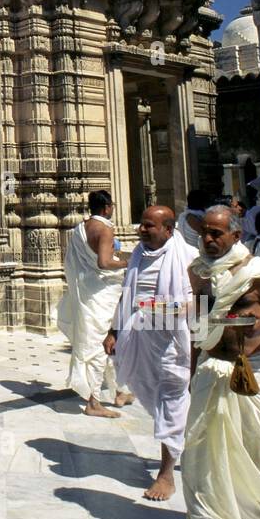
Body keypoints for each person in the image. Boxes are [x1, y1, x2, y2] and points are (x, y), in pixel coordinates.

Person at [170, 206, 260, 519]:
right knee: (202, 458)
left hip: (255, 371)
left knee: (259, 455)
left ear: (236, 236)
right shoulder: (200, 273)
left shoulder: (258, 274)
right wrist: (193, 372)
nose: (208, 239)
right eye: (205, 233)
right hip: (214, 368)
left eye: (217, 234)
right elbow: (200, 324)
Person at [104, 208, 193, 500]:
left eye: (148, 225)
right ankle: (185, 442)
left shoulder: (188, 257)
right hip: (140, 337)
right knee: (157, 400)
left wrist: (170, 313)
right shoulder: (139, 255)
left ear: (168, 229)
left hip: (172, 342)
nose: (141, 229)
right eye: (142, 224)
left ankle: (166, 474)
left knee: (171, 401)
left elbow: (200, 302)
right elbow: (127, 295)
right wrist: (115, 331)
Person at [57, 190, 131, 418]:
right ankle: (94, 401)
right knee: (101, 345)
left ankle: (120, 391)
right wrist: (126, 262)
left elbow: (74, 261)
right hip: (102, 292)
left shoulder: (82, 227)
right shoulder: (105, 229)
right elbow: (104, 262)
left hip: (88, 291)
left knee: (108, 341)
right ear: (107, 207)